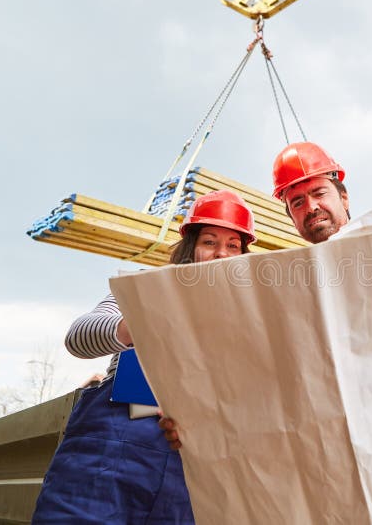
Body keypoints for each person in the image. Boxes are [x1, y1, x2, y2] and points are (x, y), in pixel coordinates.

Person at [159, 141, 372, 448]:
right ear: (291, 217)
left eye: (319, 193)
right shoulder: (290, 280)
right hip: (335, 443)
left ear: (344, 197)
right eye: (297, 202)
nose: (311, 207)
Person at [32, 190, 256, 524]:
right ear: (191, 246)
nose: (221, 253)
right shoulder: (143, 287)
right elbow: (78, 337)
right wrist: (140, 324)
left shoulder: (249, 322)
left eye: (233, 246)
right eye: (209, 241)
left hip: (188, 471)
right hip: (105, 459)